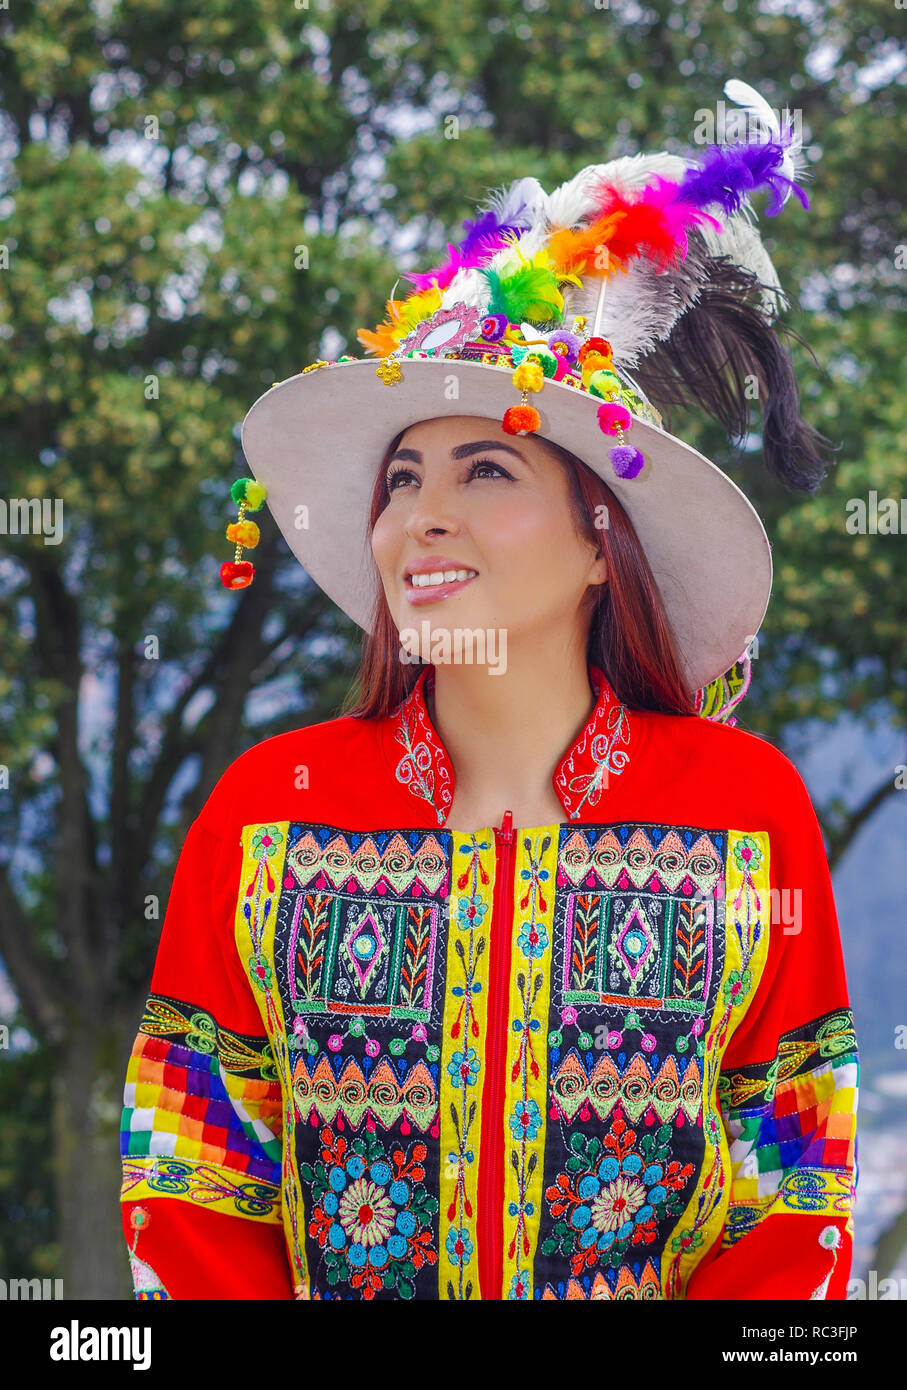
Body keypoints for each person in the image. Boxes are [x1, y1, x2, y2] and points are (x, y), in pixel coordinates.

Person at [118, 82, 859, 1301]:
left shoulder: (744, 810)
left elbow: (795, 1196)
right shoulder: (269, 808)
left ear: (595, 539)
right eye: (401, 479)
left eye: (485, 467)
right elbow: (186, 1175)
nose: (423, 515)